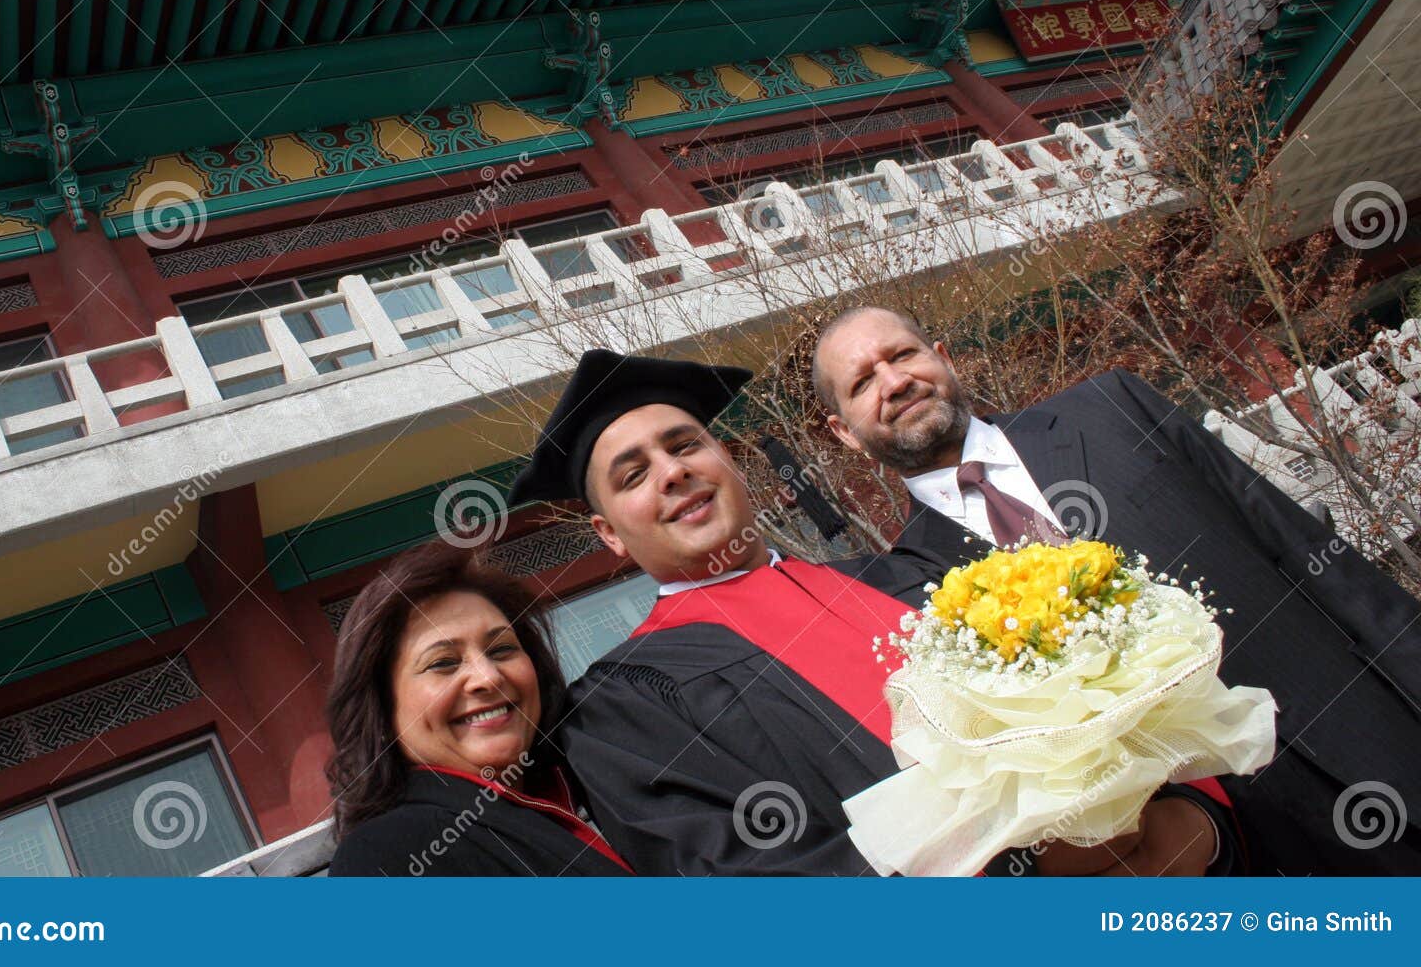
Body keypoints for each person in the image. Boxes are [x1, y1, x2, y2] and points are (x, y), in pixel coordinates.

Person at [513, 347, 1235, 875]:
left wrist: (1195, 820)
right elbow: (749, 890)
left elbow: (1099, 708)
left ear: (731, 462)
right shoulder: (621, 706)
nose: (672, 473)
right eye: (634, 475)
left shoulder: (911, 577)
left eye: (685, 445)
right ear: (609, 532)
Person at [811, 304, 1421, 874]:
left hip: (1369, 732)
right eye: (863, 383)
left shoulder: (1112, 406)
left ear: (943, 355)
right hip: (1255, 844)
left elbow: (1296, 545)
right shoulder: (918, 591)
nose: (894, 382)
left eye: (904, 354)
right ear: (844, 432)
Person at [325, 542, 631, 876]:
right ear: (381, 711)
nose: (488, 677)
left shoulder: (580, 792)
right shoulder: (386, 854)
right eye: (443, 662)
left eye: (501, 650)